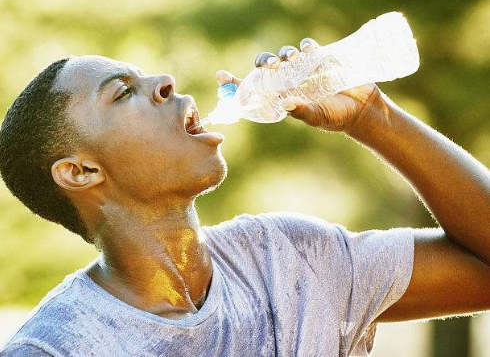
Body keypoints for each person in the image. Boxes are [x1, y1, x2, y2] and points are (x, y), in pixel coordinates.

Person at [0, 38, 489, 357]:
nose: (166, 82)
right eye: (123, 92)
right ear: (81, 172)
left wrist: (373, 118)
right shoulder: (56, 349)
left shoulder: (289, 259)